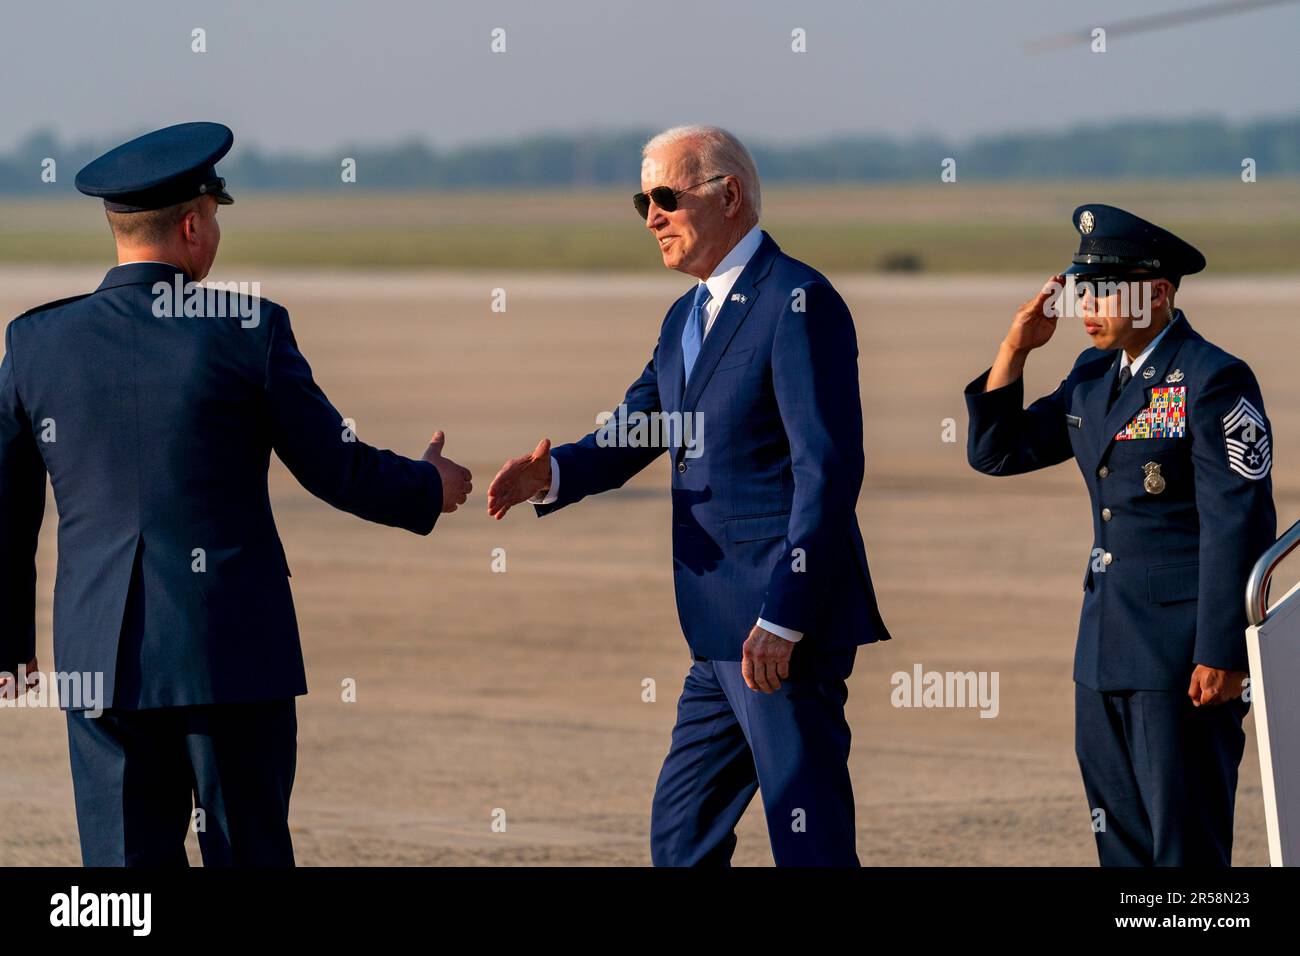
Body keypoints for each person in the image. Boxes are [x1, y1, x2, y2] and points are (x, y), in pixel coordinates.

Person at [0, 122, 472, 866]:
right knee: (248, 852)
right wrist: (426, 485)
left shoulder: (35, 342)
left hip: (100, 656)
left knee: (123, 880)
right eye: (214, 217)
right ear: (192, 226)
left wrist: (7, 646)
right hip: (231, 650)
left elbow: (7, 512)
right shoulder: (247, 329)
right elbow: (335, 468)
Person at [486, 125, 890, 866]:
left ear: (727, 195)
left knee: (811, 844)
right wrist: (554, 475)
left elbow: (827, 471)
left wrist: (786, 617)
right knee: (681, 842)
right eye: (643, 200)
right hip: (714, 637)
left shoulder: (798, 302)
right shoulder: (684, 319)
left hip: (779, 637)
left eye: (666, 196)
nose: (651, 216)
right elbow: (638, 426)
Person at [964, 204, 1276, 865]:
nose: (1090, 306)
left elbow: (1238, 520)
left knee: (1184, 851)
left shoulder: (1211, 379)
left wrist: (1223, 652)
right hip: (1103, 653)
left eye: (1107, 290)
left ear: (1158, 293)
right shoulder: (1092, 376)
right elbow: (998, 452)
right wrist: (1014, 348)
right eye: (1086, 291)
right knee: (1123, 853)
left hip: (1183, 662)